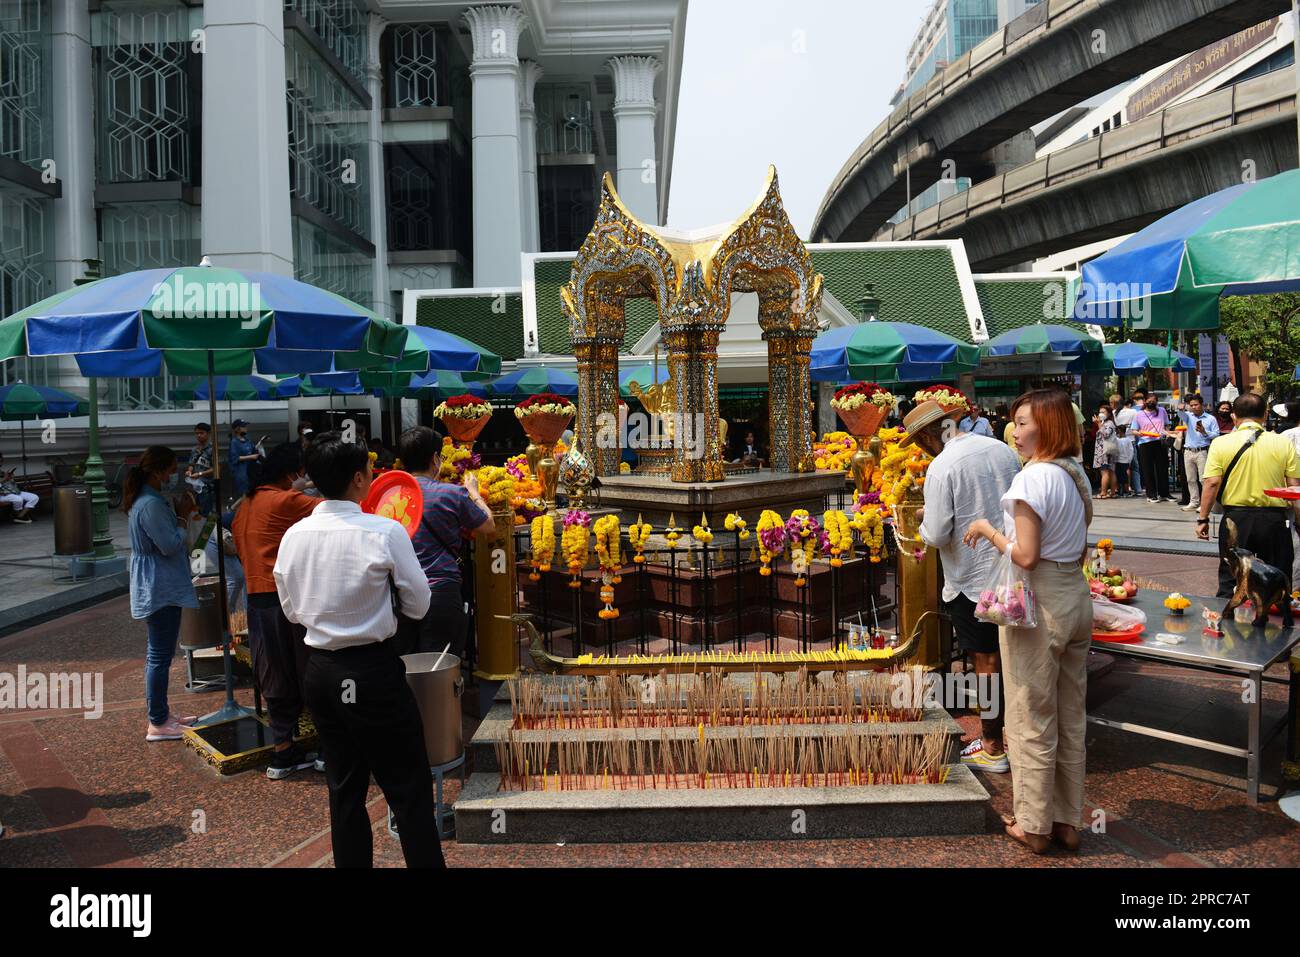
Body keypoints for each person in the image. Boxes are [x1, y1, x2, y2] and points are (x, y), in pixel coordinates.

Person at [274, 432, 440, 868]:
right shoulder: (383, 531)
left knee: (344, 787)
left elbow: (291, 610)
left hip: (322, 670)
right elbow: (420, 602)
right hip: (371, 669)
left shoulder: (295, 535)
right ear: (358, 479)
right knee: (408, 787)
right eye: (368, 471)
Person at [962, 388, 1092, 855]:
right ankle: (1067, 821)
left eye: (1023, 423)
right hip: (1075, 596)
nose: (1014, 432)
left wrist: (985, 529)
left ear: (1050, 426)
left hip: (1039, 604)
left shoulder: (1031, 480)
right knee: (1070, 713)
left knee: (1029, 714)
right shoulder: (1074, 474)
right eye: (1014, 423)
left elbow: (1026, 555)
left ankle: (1033, 825)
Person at [908, 400, 1020, 773]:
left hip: (972, 580)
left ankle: (991, 745)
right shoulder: (1001, 450)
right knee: (1011, 658)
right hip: (1012, 570)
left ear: (928, 434)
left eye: (919, 442)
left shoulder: (942, 466)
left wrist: (922, 523)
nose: (921, 450)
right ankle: (1016, 737)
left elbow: (938, 533)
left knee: (985, 662)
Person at [233, 443, 324, 779]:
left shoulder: (247, 503)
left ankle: (282, 751)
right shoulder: (285, 499)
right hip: (287, 600)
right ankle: (327, 749)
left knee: (273, 675)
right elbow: (334, 510)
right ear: (291, 474)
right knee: (309, 669)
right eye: (302, 473)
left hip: (256, 601)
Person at [396, 427, 496, 660]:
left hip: (400, 593)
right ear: (434, 459)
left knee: (405, 664)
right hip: (439, 590)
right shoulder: (451, 494)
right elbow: (488, 525)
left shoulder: (392, 496)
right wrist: (473, 492)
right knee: (438, 668)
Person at [124, 446, 200, 742]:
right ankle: (157, 721)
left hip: (159, 582)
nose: (173, 475)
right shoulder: (151, 505)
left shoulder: (148, 500)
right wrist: (182, 519)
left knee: (160, 653)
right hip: (160, 584)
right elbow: (169, 544)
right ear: (156, 471)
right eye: (170, 469)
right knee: (159, 655)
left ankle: (163, 714)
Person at [1196, 393, 1300, 598]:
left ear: (1234, 416)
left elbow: (1211, 483)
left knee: (1232, 577)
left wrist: (1202, 518)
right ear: (1265, 414)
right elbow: (1294, 487)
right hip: (1274, 520)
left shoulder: (1220, 443)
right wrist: (1299, 520)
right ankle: (1279, 624)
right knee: (1277, 578)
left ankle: (1228, 623)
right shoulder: (1282, 443)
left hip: (1236, 519)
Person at [1173, 393, 1218, 512]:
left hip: (1202, 451)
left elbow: (1216, 434)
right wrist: (1180, 408)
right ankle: (1194, 501)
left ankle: (1205, 504)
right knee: (1190, 479)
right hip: (1188, 451)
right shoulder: (1188, 416)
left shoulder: (1210, 418)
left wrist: (1204, 432)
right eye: (1191, 405)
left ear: (1201, 404)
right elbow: (1181, 415)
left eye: (1196, 405)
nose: (1194, 407)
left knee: (1203, 479)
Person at [1133, 393, 1173, 503]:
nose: (1152, 403)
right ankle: (1151, 494)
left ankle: (1164, 493)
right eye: (1149, 400)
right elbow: (1134, 430)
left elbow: (1166, 425)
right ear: (1144, 401)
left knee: (1163, 468)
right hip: (1145, 443)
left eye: (1154, 401)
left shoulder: (1161, 411)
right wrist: (1140, 433)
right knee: (1148, 469)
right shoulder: (1139, 414)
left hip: (1159, 441)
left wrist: (1166, 433)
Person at [185, 422, 215, 515]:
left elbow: (216, 469)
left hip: (207, 486)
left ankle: (209, 529)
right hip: (195, 486)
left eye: (201, 433)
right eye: (197, 433)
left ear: (208, 433)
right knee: (195, 512)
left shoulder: (212, 449)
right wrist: (189, 471)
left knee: (206, 512)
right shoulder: (195, 449)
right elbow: (191, 463)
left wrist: (200, 474)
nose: (199, 435)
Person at [0, 452, 38, 523]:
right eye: (0, 460)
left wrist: (11, 478)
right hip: (2, 495)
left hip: (12, 491)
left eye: (1, 460)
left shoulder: (1, 471)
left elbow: (9, 483)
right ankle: (17, 515)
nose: (1, 462)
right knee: (18, 499)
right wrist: (5, 478)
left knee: (34, 497)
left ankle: (20, 516)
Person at [228, 419, 260, 500]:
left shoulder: (248, 440)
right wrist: (251, 457)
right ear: (237, 429)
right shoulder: (234, 442)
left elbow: (253, 450)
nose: (246, 428)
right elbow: (235, 458)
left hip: (250, 471)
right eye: (244, 427)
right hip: (241, 473)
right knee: (244, 496)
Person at [1093, 404, 1118, 499]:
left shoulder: (1109, 423)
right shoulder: (1106, 423)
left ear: (1109, 413)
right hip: (1105, 450)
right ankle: (1112, 492)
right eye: (1100, 412)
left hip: (1105, 451)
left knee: (1105, 471)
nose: (1101, 414)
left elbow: (1105, 434)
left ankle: (1103, 492)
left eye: (1103, 412)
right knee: (1110, 471)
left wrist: (1099, 424)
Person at [1114, 425, 1136, 497]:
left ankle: (1123, 490)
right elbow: (1131, 451)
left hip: (1120, 461)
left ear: (1119, 431)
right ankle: (1124, 491)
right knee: (1123, 476)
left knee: (1121, 476)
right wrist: (1129, 460)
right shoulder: (1128, 440)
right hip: (1124, 461)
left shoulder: (1117, 440)